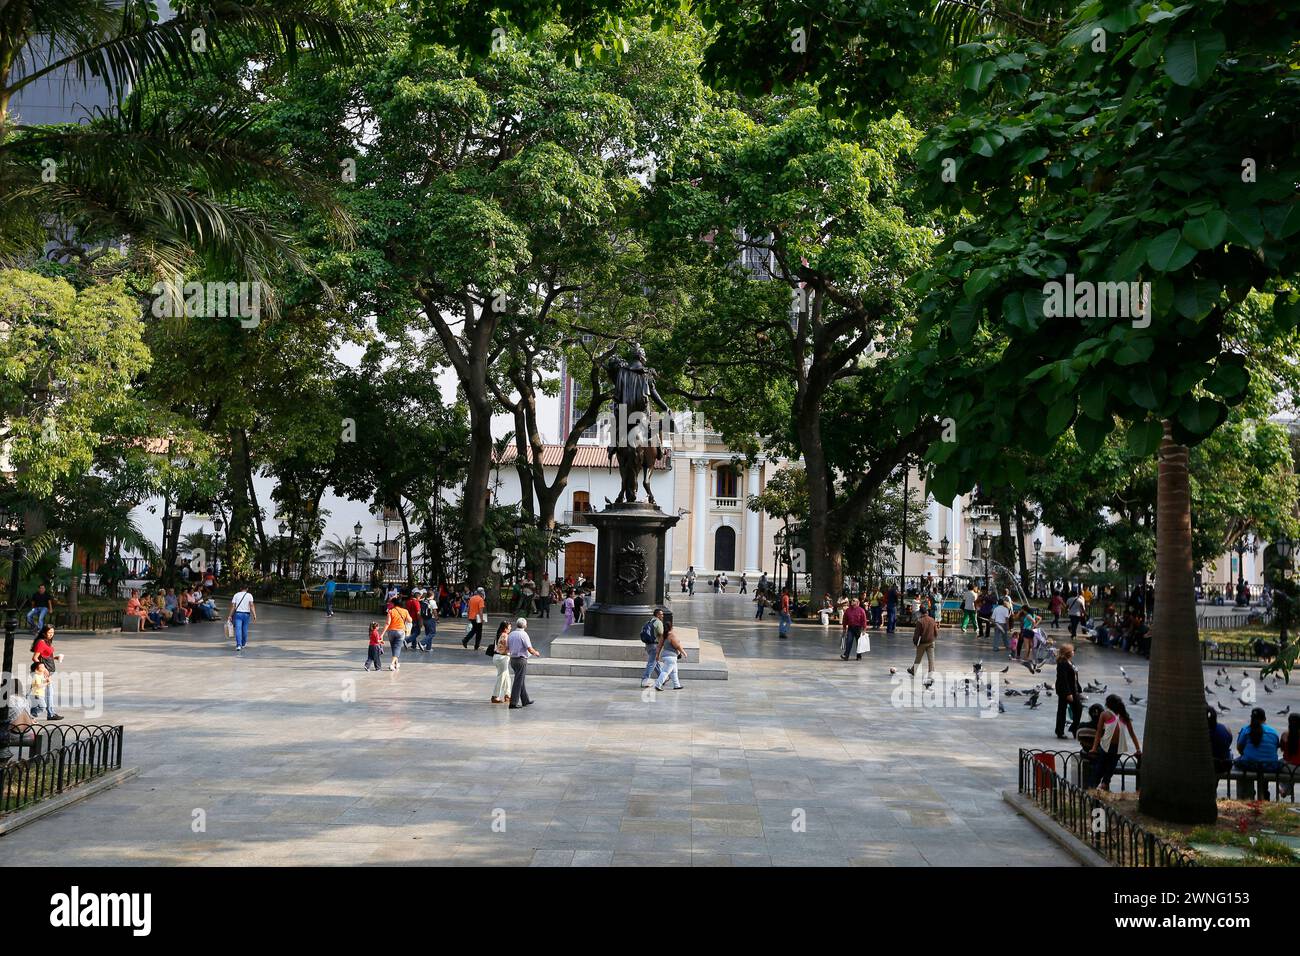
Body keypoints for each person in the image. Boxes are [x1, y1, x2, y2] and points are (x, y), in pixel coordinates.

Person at [1090, 694, 1140, 792]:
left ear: (1108, 704)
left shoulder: (1112, 715)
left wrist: (1094, 748)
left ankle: (1095, 789)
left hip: (1111, 747)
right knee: (1107, 768)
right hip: (1113, 747)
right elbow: (1132, 734)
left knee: (1102, 768)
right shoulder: (1117, 716)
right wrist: (1138, 749)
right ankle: (1101, 787)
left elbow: (1099, 733)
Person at [1235, 707, 1283, 799]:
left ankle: (1247, 795)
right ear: (1265, 719)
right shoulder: (1273, 732)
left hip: (1250, 765)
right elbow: (1274, 749)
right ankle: (1264, 794)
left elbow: (1239, 748)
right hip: (1269, 766)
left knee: (1239, 762)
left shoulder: (1246, 730)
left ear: (1251, 718)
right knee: (1264, 762)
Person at [30, 624, 64, 720]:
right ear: (44, 633)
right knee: (42, 693)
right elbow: (35, 658)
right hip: (43, 672)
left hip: (47, 671)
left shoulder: (47, 641)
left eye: (53, 632)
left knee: (42, 692)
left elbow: (45, 656)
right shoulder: (41, 642)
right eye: (49, 632)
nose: (51, 634)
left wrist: (55, 657)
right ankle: (33, 714)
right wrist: (44, 669)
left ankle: (49, 713)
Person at [507, 617, 540, 709]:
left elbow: (508, 647)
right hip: (521, 660)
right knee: (518, 681)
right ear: (525, 625)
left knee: (520, 679)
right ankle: (513, 703)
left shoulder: (511, 634)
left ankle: (525, 700)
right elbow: (529, 648)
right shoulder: (524, 634)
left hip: (513, 659)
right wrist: (536, 653)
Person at [1053, 643, 1082, 739]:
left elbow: (1074, 677)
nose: (1074, 652)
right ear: (1068, 653)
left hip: (1073, 690)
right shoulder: (1062, 664)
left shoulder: (1071, 663)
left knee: (1078, 709)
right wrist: (1068, 693)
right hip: (1064, 691)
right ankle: (1059, 731)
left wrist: (1078, 689)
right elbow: (1063, 679)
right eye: (1072, 651)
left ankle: (1074, 728)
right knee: (1062, 711)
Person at [653, 612, 685, 691]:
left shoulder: (663, 636)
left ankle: (676, 685)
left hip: (665, 656)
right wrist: (684, 652)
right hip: (671, 657)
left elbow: (659, 646)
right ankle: (658, 684)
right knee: (665, 671)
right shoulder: (671, 635)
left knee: (674, 671)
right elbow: (677, 645)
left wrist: (657, 655)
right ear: (671, 627)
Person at [906, 605, 938, 676]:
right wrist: (933, 638)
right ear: (926, 612)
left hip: (922, 643)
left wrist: (915, 642)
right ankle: (931, 672)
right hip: (931, 642)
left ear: (920, 613)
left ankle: (913, 670)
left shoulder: (920, 621)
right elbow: (936, 632)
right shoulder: (932, 619)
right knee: (931, 659)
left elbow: (917, 634)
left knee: (918, 658)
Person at [639, 609, 665, 688]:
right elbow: (661, 634)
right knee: (651, 663)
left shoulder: (648, 622)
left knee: (655, 662)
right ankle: (645, 680)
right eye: (661, 614)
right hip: (655, 645)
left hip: (648, 645)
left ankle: (662, 678)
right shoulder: (658, 622)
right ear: (657, 615)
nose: (662, 616)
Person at [383, 598, 410, 671]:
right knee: (397, 648)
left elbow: (387, 623)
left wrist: (381, 634)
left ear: (394, 604)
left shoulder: (391, 611)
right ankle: (392, 664)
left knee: (394, 648)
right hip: (400, 632)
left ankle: (396, 663)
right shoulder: (405, 611)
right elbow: (410, 620)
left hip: (391, 632)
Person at [491, 621, 514, 704]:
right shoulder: (504, 635)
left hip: (498, 657)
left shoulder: (499, 634)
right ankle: (495, 696)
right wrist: (511, 653)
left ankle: (508, 695)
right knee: (501, 677)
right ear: (505, 628)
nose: (510, 629)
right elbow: (503, 649)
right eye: (509, 627)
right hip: (502, 658)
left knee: (506, 676)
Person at [228, 584, 256, 652]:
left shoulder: (236, 595)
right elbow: (251, 605)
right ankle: (243, 644)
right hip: (246, 614)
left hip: (238, 614)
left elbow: (233, 606)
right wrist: (254, 614)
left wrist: (230, 615)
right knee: (245, 629)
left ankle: (238, 645)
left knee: (238, 629)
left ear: (240, 588)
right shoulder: (249, 595)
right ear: (247, 589)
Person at [1208, 708, 1234, 775]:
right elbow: (1229, 742)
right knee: (1230, 753)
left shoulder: (1203, 731)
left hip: (1210, 765)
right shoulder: (1225, 728)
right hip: (1225, 765)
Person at [840, 597, 867, 661]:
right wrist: (844, 629)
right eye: (851, 600)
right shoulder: (848, 610)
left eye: (854, 600)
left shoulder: (861, 610)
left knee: (859, 643)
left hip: (858, 628)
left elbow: (864, 620)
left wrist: (864, 629)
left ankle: (859, 655)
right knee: (848, 641)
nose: (852, 601)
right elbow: (845, 619)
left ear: (858, 603)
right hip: (850, 628)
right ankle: (846, 655)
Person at [1280, 713, 1300, 797]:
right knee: (1294, 767)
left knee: (1280, 763)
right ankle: (1286, 789)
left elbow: (1281, 749)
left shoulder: (1285, 735)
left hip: (1288, 767)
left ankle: (1285, 789)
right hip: (1298, 768)